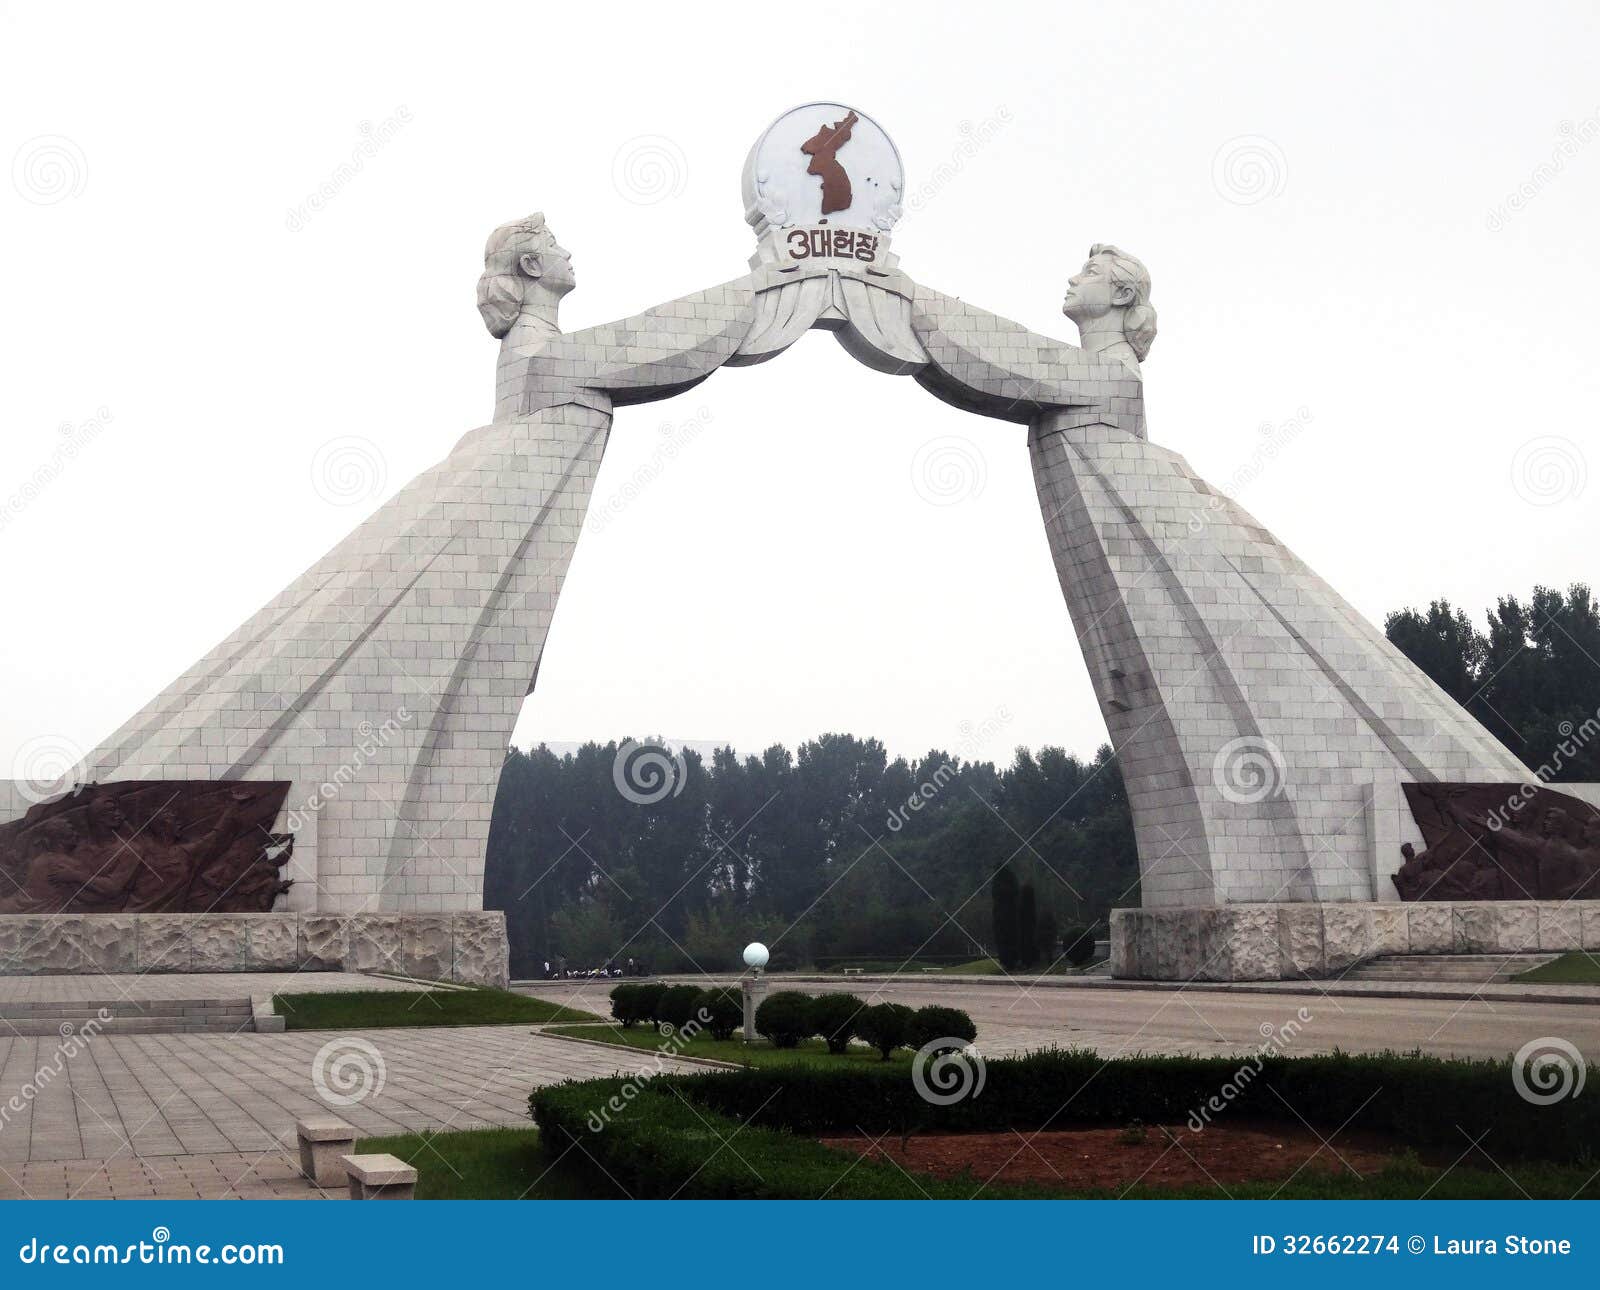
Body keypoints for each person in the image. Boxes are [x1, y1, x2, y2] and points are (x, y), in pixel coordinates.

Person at [1061, 243, 1157, 375]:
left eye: (1091, 272)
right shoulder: (1105, 365)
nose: (1072, 280)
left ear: (1122, 294)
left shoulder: (1119, 368)